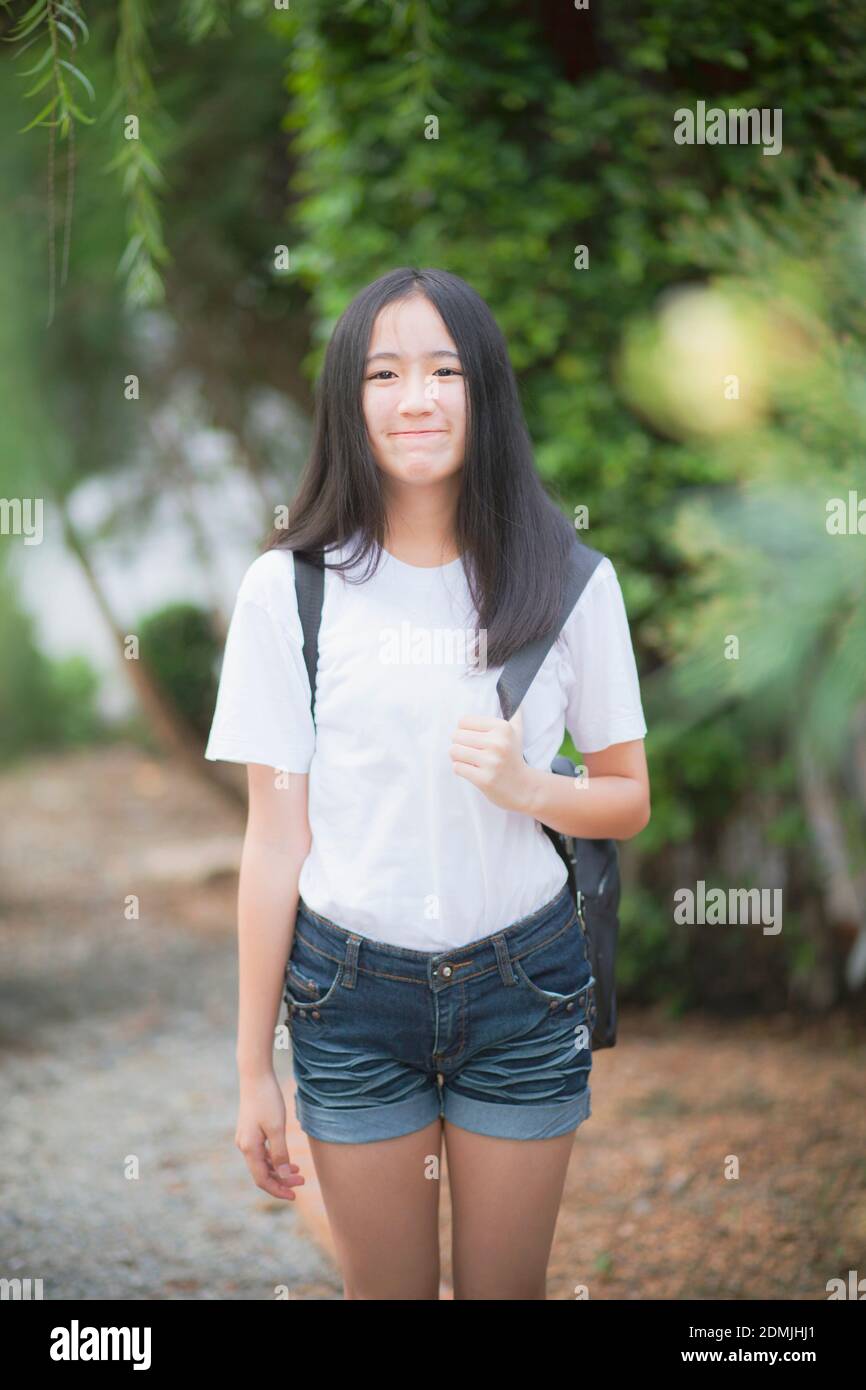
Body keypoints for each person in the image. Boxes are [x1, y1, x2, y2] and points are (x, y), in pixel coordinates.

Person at [205, 267, 650, 1300]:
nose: (417, 398)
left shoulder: (570, 580)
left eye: (445, 370)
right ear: (348, 403)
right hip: (347, 997)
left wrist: (529, 787)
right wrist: (249, 1071)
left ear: (482, 390)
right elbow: (274, 840)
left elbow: (626, 795)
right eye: (386, 373)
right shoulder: (290, 592)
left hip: (525, 988)